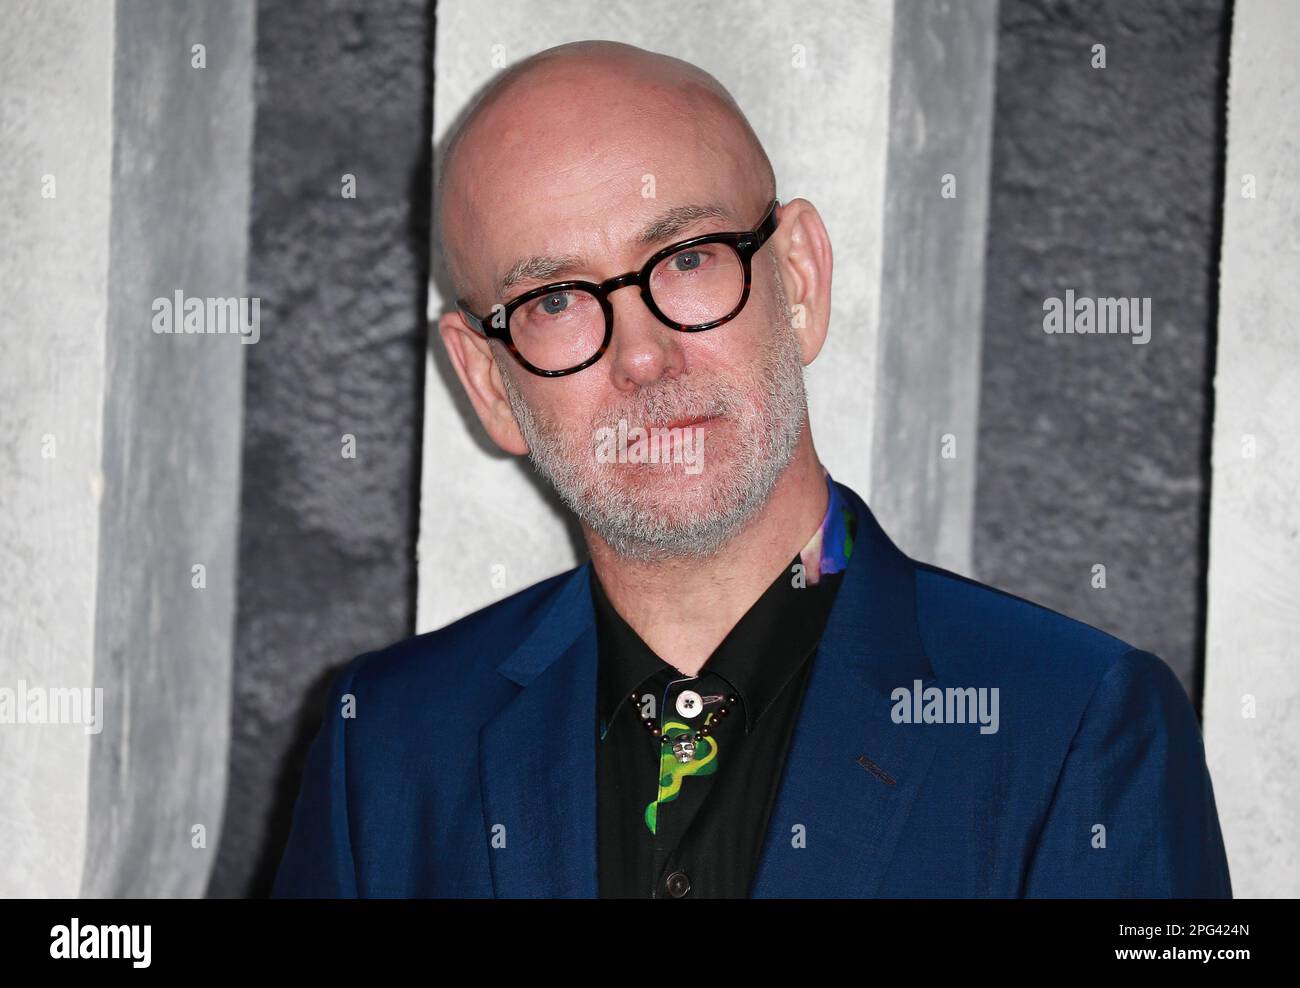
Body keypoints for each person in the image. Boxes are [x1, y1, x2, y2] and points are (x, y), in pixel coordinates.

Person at [272, 40, 1231, 898]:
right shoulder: (386, 747)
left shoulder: (1077, 727)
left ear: (800, 281)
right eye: (556, 298)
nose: (642, 357)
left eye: (688, 258)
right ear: (488, 379)